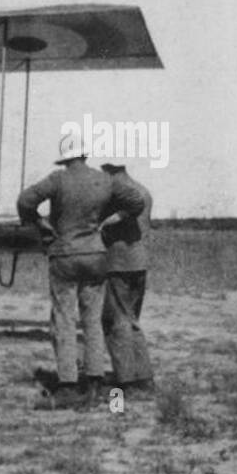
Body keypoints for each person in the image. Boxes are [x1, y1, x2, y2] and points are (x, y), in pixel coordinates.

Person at [16, 133, 145, 406]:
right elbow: (136, 202)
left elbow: (25, 201)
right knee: (93, 320)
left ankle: (67, 385)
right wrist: (112, 219)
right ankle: (95, 383)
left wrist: (40, 224)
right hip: (96, 255)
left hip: (64, 255)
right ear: (85, 155)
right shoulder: (104, 180)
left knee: (63, 318)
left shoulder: (57, 179)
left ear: (65, 159)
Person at [100, 164, 155, 392]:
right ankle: (143, 377)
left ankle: (126, 380)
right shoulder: (143, 190)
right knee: (131, 319)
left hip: (119, 263)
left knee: (115, 321)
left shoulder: (117, 193)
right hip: (139, 263)